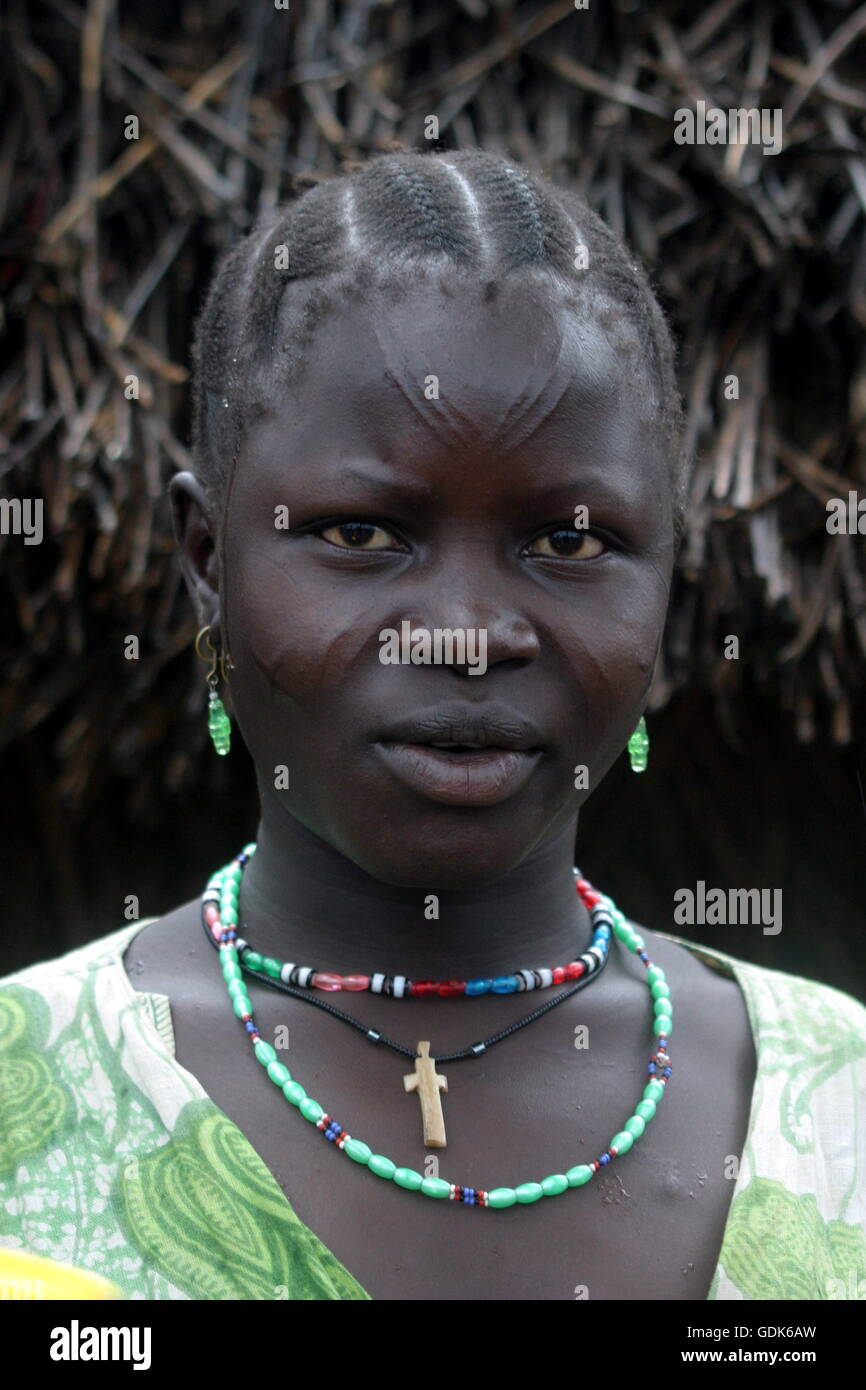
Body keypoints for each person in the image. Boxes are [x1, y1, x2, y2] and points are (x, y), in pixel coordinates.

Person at [1, 149, 864, 1302]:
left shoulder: (840, 1106)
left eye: (567, 542)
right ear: (209, 560)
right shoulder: (24, 1103)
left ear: (669, 578)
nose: (463, 634)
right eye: (361, 534)